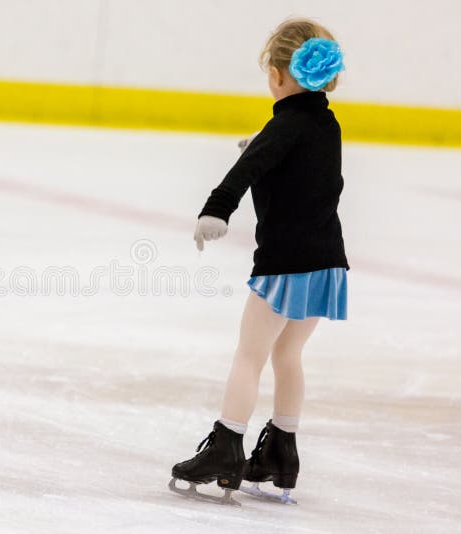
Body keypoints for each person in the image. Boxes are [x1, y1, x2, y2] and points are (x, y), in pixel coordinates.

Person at [169, 18, 350, 505]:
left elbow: (247, 170)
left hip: (285, 265)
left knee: (249, 355)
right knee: (287, 355)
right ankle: (280, 455)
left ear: (276, 75)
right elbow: (305, 169)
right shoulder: (325, 123)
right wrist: (265, 146)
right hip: (328, 262)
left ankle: (226, 449)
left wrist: (216, 209)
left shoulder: (284, 124)